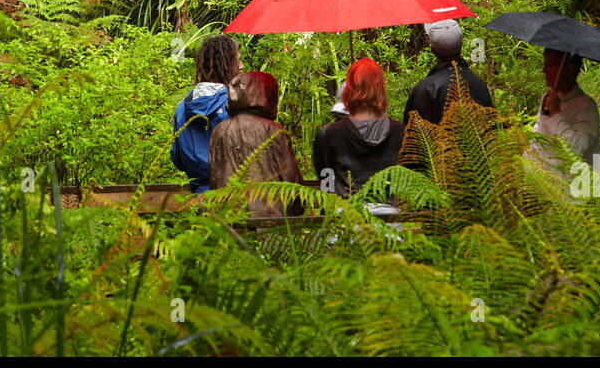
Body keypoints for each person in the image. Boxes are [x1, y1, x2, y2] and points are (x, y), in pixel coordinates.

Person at [209, 71, 304, 218]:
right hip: (271, 220)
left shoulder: (219, 131)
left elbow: (215, 178)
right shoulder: (274, 131)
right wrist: (298, 209)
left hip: (230, 219)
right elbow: (291, 180)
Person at [313, 58, 404, 197]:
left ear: (349, 89)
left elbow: (326, 179)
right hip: (391, 214)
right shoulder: (400, 132)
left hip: (347, 213)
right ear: (381, 88)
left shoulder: (330, 134)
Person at [170, 35, 241, 193]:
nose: (241, 66)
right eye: (237, 61)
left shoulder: (182, 108)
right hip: (234, 195)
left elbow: (177, 158)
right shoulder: (232, 105)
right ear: (226, 65)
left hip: (200, 197)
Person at [402, 19, 493, 128]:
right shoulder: (479, 85)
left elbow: (412, 135)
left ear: (432, 49)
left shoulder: (424, 89)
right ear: (461, 45)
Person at [530, 49, 600, 166]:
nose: (544, 70)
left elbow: (577, 151)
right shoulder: (548, 98)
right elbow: (539, 134)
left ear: (570, 69)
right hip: (541, 179)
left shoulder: (586, 106)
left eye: (549, 65)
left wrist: (556, 114)